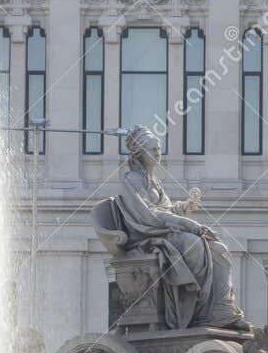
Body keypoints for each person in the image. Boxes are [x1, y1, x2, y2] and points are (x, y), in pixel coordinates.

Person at [94, 127, 249, 331]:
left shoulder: (154, 182)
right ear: (140, 153)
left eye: (159, 149)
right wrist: (189, 224)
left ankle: (221, 310)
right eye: (153, 149)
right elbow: (148, 215)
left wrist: (185, 207)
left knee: (219, 249)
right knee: (194, 244)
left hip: (162, 231)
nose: (158, 154)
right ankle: (197, 312)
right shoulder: (132, 181)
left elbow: (166, 209)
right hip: (147, 236)